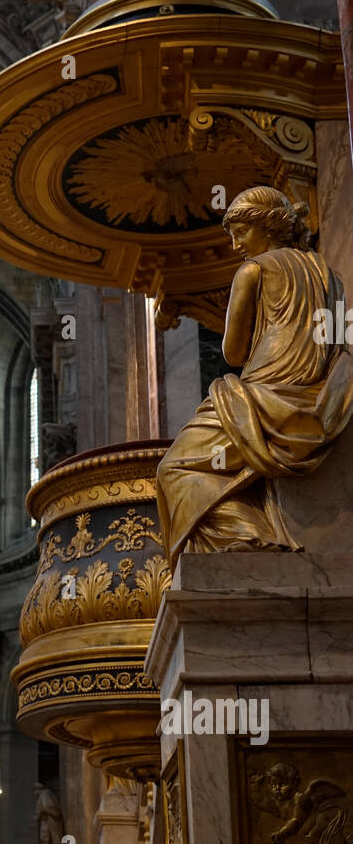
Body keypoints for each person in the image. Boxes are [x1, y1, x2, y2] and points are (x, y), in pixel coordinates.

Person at [157, 187, 353, 571]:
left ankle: (245, 536)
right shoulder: (332, 278)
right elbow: (342, 343)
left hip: (263, 403)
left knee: (174, 468)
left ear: (269, 226)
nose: (235, 246)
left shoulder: (254, 270)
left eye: (241, 232)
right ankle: (252, 532)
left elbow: (232, 352)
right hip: (323, 401)